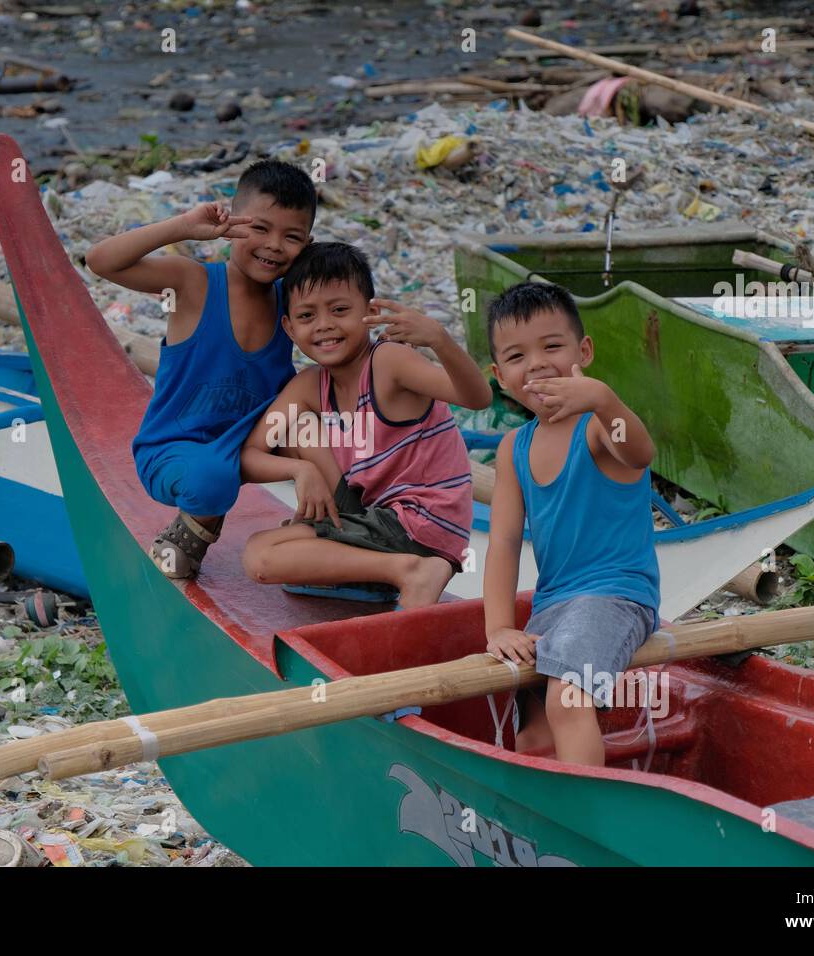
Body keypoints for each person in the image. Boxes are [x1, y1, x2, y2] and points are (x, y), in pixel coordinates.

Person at [85, 160, 317, 578]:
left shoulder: (293, 298)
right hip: (177, 451)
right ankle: (191, 529)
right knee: (211, 478)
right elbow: (101, 261)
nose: (274, 245)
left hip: (255, 443)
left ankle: (324, 536)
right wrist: (182, 227)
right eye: (260, 228)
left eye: (292, 237)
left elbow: (340, 334)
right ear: (231, 223)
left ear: (309, 244)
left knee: (341, 440)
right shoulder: (193, 282)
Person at [240, 242, 492, 608]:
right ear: (289, 328)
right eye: (307, 316)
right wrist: (300, 469)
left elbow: (477, 398)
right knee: (298, 431)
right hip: (375, 514)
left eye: (340, 310)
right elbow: (251, 452)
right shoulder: (311, 384)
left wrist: (439, 339)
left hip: (421, 523)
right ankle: (377, 572)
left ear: (370, 312)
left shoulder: (388, 362)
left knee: (260, 557)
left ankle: (408, 571)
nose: (325, 326)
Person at [482, 281, 660, 766]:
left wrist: (603, 399)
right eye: (517, 356)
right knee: (533, 731)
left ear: (584, 351)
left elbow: (641, 452)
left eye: (552, 346)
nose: (537, 363)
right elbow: (501, 543)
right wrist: (498, 626)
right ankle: (539, 825)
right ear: (500, 377)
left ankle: (587, 817)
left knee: (569, 699)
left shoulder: (601, 427)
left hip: (616, 597)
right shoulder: (513, 448)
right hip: (553, 606)